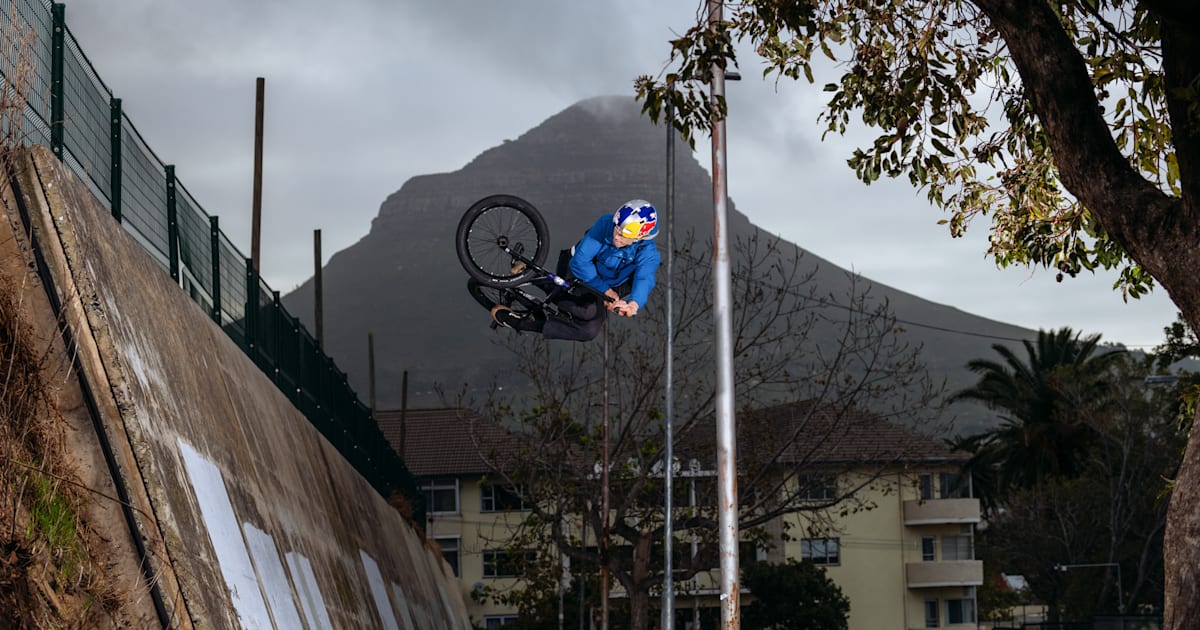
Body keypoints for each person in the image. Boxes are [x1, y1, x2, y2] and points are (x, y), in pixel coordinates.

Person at [491, 199, 662, 342]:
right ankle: (531, 274)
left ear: (640, 237)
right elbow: (580, 262)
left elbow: (644, 278)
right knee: (585, 310)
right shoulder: (605, 224)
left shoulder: (649, 253)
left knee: (588, 332)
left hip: (605, 286)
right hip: (576, 268)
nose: (616, 236)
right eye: (616, 228)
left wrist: (633, 305)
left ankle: (519, 322)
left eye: (623, 234)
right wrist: (605, 291)